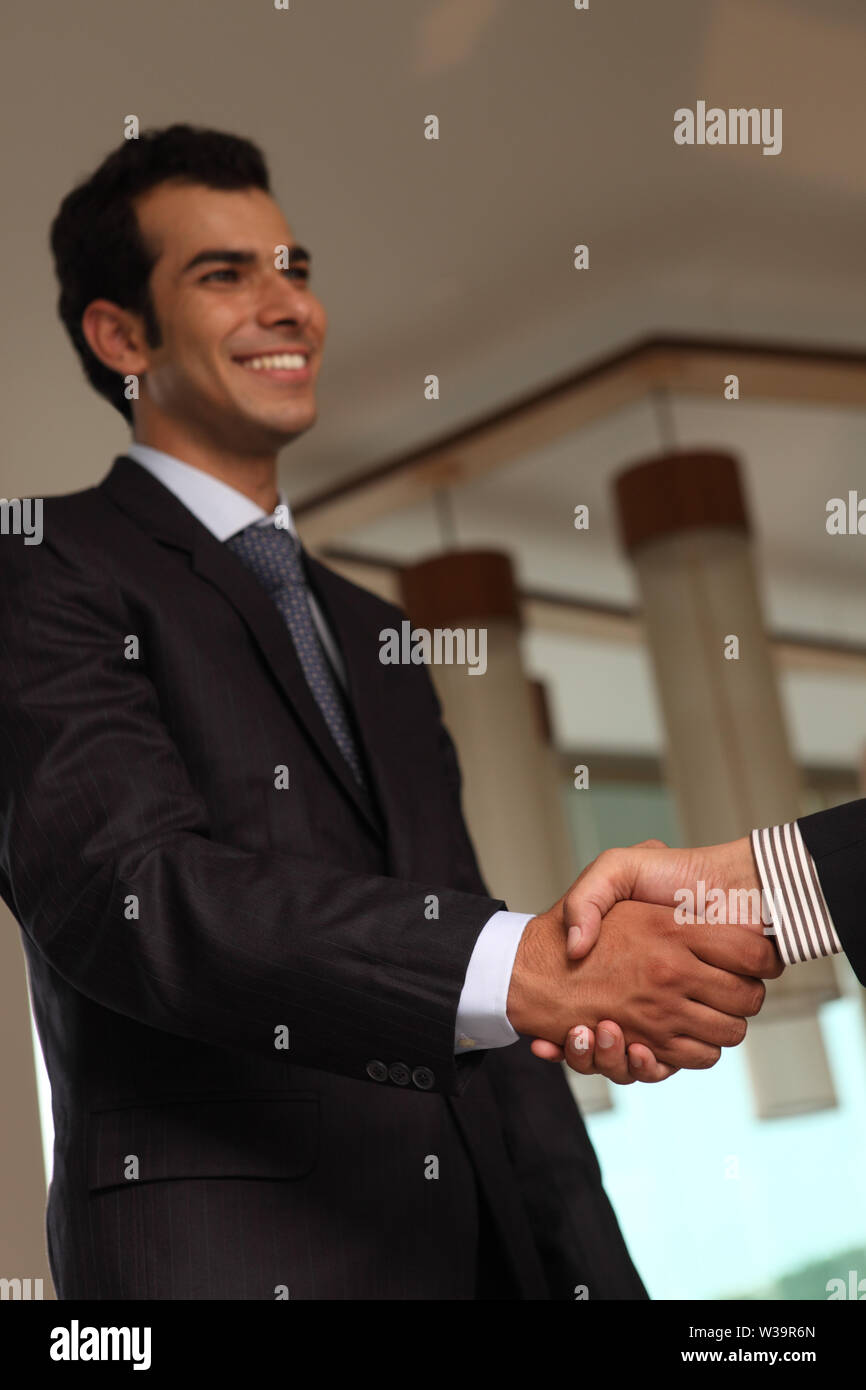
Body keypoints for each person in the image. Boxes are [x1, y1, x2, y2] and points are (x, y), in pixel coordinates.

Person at [0, 124, 780, 1301]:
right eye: (226, 274)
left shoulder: (378, 630)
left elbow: (493, 997)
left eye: (295, 269)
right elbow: (134, 893)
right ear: (120, 336)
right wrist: (517, 962)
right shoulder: (40, 565)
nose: (288, 306)